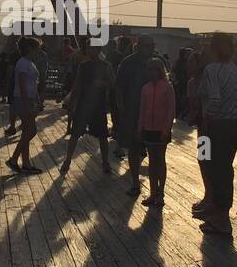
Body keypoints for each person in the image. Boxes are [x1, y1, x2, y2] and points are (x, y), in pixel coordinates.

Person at [193, 33, 237, 237]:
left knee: (214, 168)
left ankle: (221, 217)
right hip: (235, 123)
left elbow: (214, 99)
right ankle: (217, 210)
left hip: (216, 125)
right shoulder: (234, 69)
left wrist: (207, 121)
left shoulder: (212, 69)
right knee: (224, 168)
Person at [60, 39, 113, 176]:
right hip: (84, 104)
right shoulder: (83, 66)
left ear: (98, 50)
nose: (89, 51)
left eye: (92, 48)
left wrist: (104, 87)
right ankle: (67, 160)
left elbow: (111, 84)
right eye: (88, 48)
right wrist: (72, 101)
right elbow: (77, 85)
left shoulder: (106, 66)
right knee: (75, 134)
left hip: (98, 105)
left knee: (102, 135)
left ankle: (105, 162)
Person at [115, 35, 151, 195]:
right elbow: (119, 88)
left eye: (152, 46)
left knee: (155, 151)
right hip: (133, 110)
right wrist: (122, 109)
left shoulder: (156, 62)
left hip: (153, 113)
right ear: (139, 46)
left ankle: (157, 190)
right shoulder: (128, 63)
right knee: (134, 147)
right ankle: (135, 183)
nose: (150, 49)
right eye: (147, 46)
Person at [137, 56, 175, 207]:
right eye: (149, 69)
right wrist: (140, 128)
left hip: (161, 129)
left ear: (160, 71)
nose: (151, 72)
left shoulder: (167, 87)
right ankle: (153, 192)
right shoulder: (145, 88)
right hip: (148, 128)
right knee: (152, 161)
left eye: (154, 69)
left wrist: (167, 129)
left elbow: (171, 110)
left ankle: (161, 193)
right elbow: (142, 109)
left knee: (160, 160)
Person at [6, 36, 41, 173]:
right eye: (37, 48)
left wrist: (37, 99)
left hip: (28, 99)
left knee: (26, 131)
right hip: (23, 99)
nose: (38, 51)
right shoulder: (23, 63)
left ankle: (26, 163)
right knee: (31, 131)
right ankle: (13, 159)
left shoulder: (29, 63)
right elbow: (22, 85)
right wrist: (28, 103)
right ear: (30, 49)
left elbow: (33, 84)